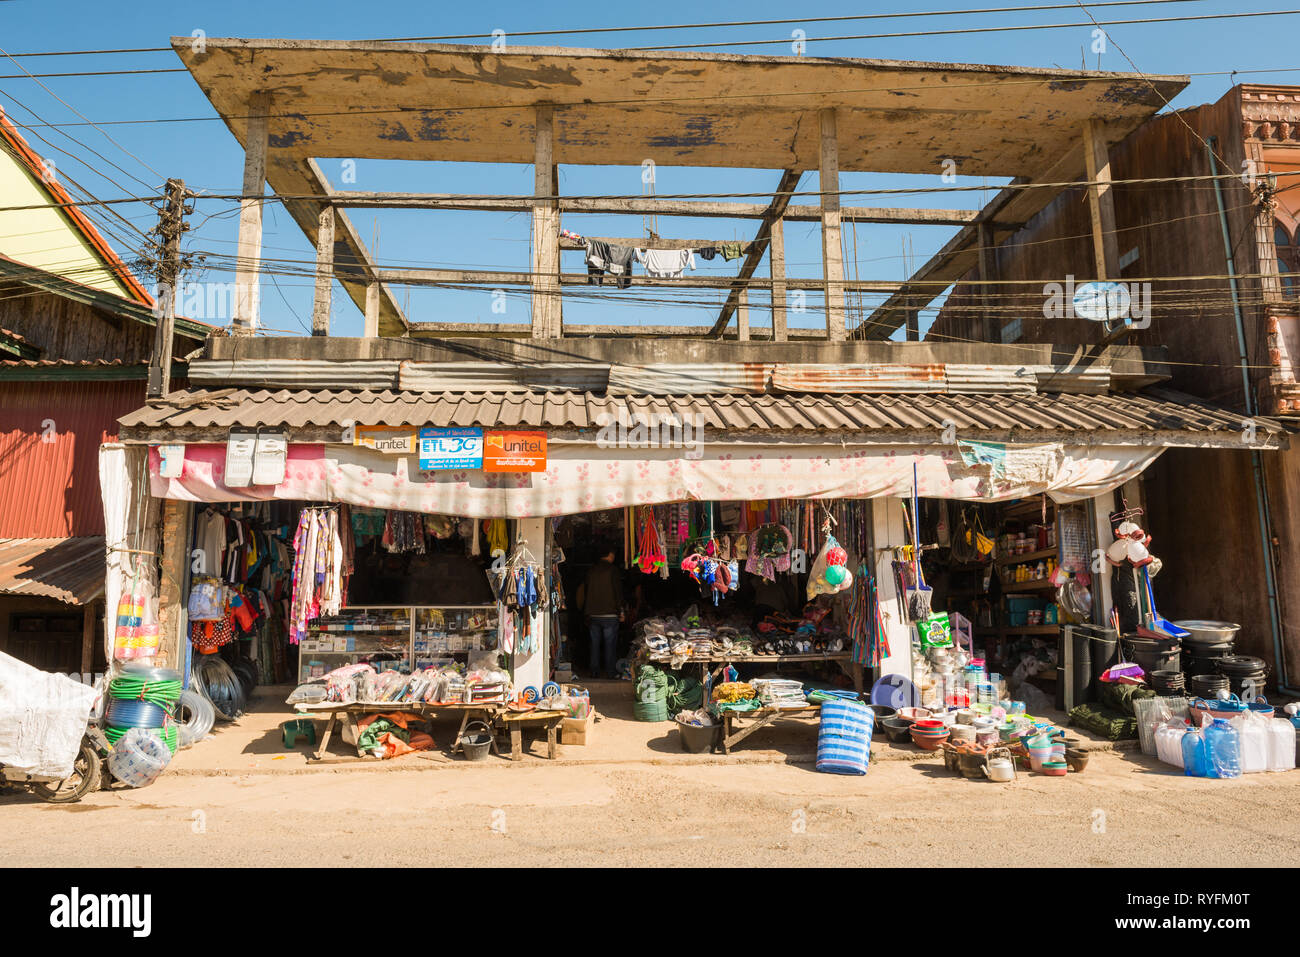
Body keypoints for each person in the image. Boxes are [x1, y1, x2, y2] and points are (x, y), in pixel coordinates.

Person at [581, 542, 623, 679]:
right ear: (611, 555)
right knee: (610, 645)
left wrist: (586, 611)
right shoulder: (613, 570)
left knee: (594, 644)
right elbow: (617, 592)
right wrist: (621, 610)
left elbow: (585, 591)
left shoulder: (591, 570)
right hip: (610, 614)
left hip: (593, 613)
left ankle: (594, 671)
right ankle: (610, 672)